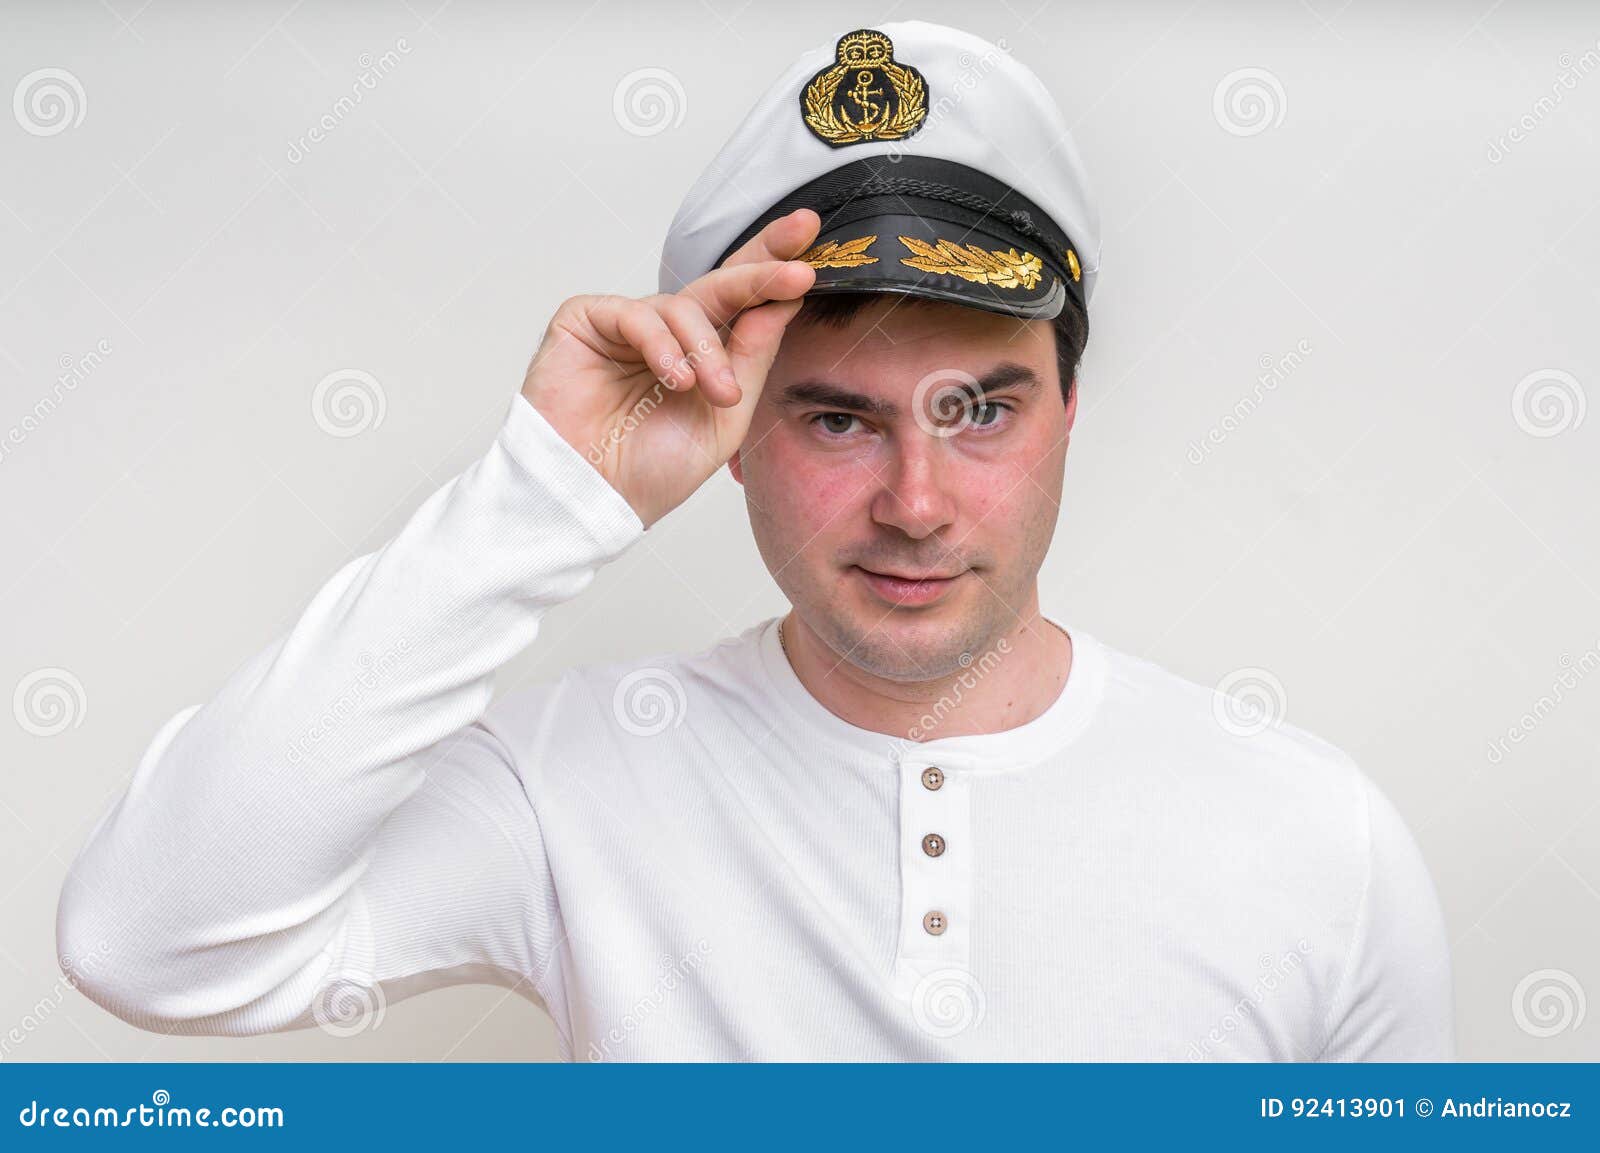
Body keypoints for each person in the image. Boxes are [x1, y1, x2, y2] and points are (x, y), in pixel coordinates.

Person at [56, 21, 1453, 1061]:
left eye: (980, 411)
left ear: (1071, 407)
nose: (915, 499)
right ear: (730, 432)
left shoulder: (1317, 836)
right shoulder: (575, 783)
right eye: (838, 421)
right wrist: (546, 489)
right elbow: (150, 944)